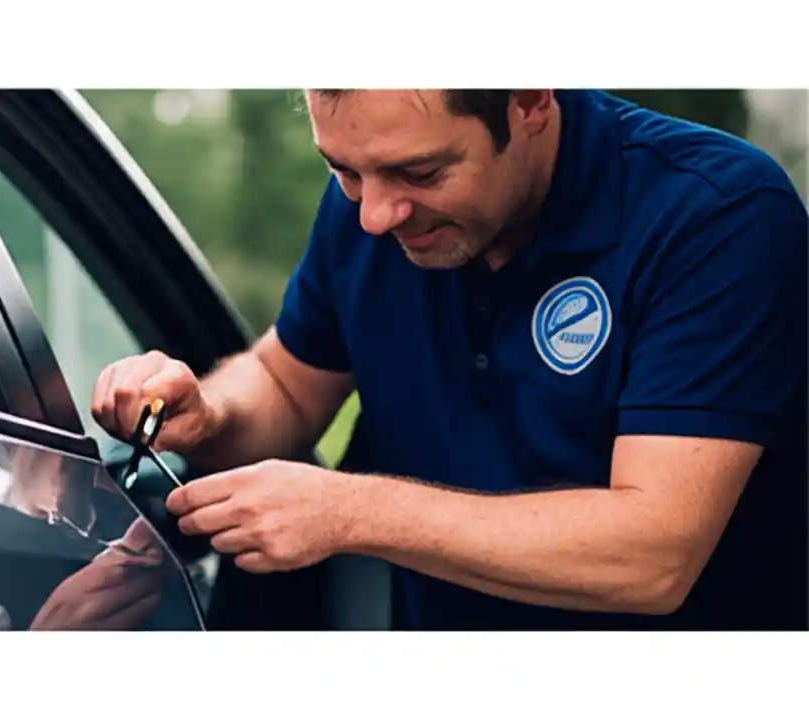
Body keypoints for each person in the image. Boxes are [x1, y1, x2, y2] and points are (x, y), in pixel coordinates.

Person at [91, 89, 808, 630]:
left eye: (421, 173)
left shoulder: (717, 214)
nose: (374, 215)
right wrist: (207, 411)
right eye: (343, 170)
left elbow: (653, 556)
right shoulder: (372, 205)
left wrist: (346, 510)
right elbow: (285, 381)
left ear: (530, 100)